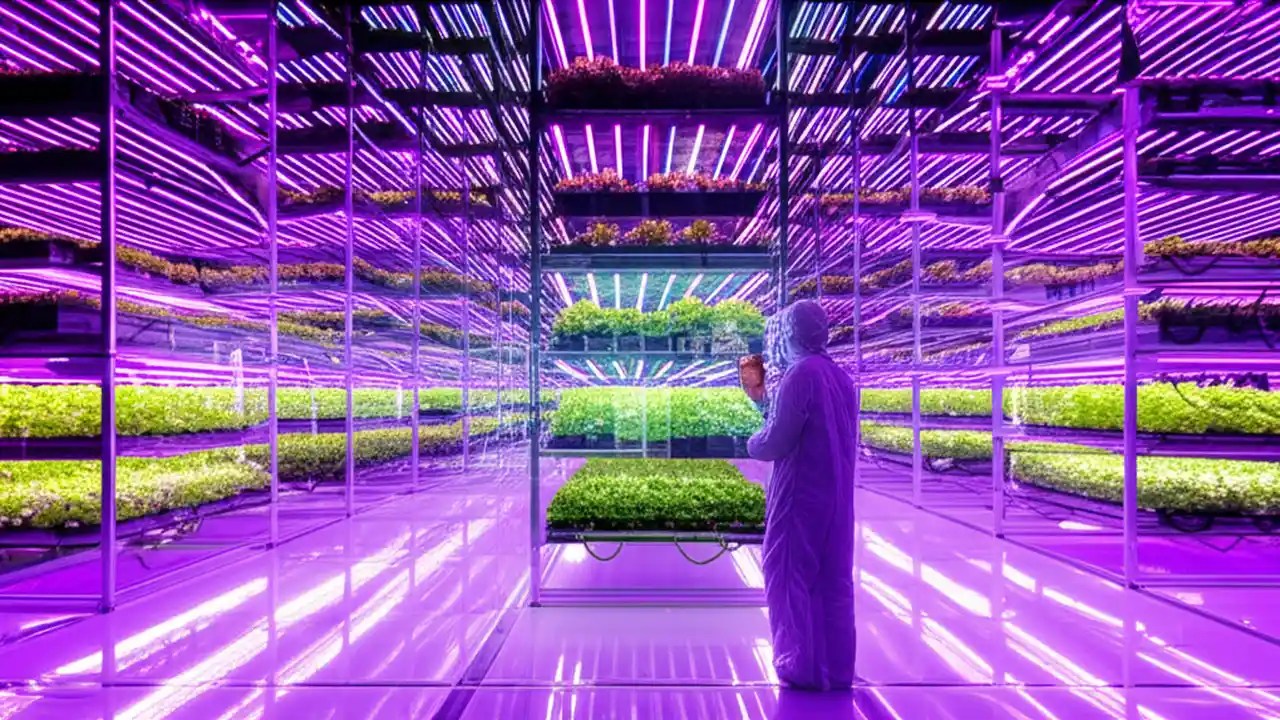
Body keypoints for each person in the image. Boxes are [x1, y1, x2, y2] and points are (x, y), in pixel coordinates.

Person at [744, 299, 858, 691]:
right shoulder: (840, 378)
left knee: (790, 574)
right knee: (834, 580)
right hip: (836, 495)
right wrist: (763, 403)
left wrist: (750, 442)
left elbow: (776, 441)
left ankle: (799, 664)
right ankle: (838, 668)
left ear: (792, 333)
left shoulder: (799, 376)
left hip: (800, 497)